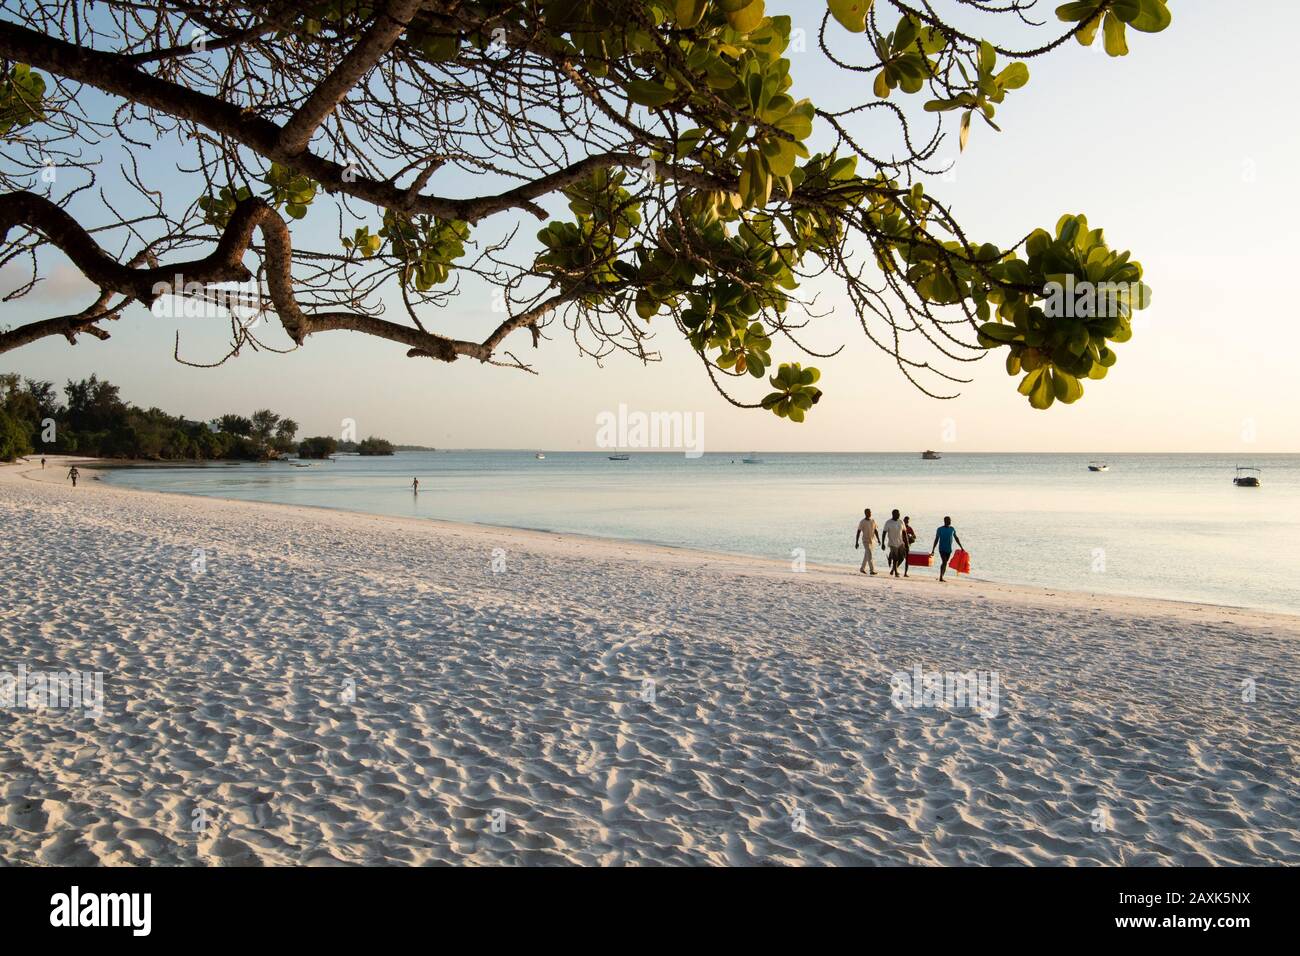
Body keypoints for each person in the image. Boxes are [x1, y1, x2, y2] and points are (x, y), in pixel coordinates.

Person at [931, 516, 964, 582]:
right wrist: (933, 549)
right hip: (942, 548)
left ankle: (942, 576)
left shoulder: (952, 529)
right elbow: (936, 539)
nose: (950, 522)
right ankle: (941, 577)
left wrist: (961, 547)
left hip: (949, 549)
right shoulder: (939, 529)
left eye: (950, 520)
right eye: (948, 520)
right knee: (944, 562)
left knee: (945, 563)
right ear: (945, 521)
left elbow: (956, 538)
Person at [854, 508, 882, 575]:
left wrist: (878, 539)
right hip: (865, 541)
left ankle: (862, 569)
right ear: (865, 513)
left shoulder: (873, 521)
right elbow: (858, 532)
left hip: (872, 541)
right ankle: (872, 570)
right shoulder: (862, 522)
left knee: (867, 555)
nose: (869, 513)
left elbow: (875, 530)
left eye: (870, 512)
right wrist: (856, 542)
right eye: (868, 512)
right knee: (870, 555)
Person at [882, 509, 908, 577]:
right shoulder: (888, 522)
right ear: (893, 514)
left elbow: (904, 533)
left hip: (901, 543)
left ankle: (893, 569)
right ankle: (896, 572)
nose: (899, 515)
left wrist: (907, 543)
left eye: (899, 513)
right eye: (897, 514)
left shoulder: (901, 521)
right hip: (892, 543)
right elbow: (884, 533)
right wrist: (883, 543)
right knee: (895, 558)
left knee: (902, 557)